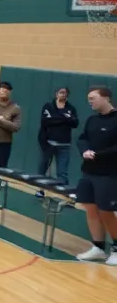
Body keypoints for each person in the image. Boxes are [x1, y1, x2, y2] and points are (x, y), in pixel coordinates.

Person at [74, 86, 117, 265]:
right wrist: (85, 151)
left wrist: (97, 154)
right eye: (89, 98)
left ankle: (115, 248)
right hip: (89, 171)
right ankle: (98, 247)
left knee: (106, 211)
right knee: (90, 208)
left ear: (106, 98)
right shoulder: (92, 120)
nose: (90, 101)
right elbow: (82, 138)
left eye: (93, 98)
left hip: (108, 173)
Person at [37, 86, 78, 185]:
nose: (63, 94)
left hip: (64, 145)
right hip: (48, 143)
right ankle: (40, 190)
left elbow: (75, 123)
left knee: (62, 172)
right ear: (56, 94)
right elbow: (46, 121)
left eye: (65, 93)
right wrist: (65, 119)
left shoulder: (71, 108)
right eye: (61, 92)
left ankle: (61, 195)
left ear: (67, 95)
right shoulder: (48, 106)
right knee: (43, 168)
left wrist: (57, 119)